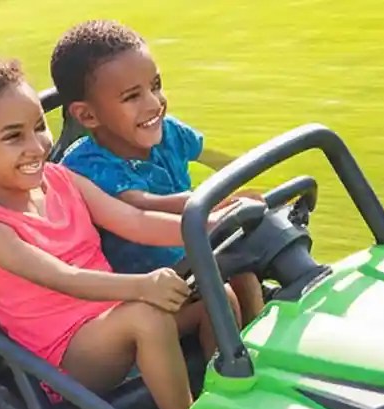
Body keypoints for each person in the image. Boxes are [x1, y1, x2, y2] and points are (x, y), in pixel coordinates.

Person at [0, 51, 245, 409]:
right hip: (66, 358)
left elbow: (134, 221)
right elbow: (64, 278)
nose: (37, 146)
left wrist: (212, 223)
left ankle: (231, 403)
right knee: (147, 318)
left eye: (39, 127)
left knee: (217, 294)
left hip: (114, 316)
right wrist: (142, 286)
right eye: (14, 136)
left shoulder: (60, 179)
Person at [51, 19, 267, 325]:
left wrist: (251, 171)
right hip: (148, 291)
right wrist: (215, 205)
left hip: (194, 255)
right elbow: (141, 205)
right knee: (224, 293)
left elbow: (214, 157)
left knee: (246, 265)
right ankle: (230, 355)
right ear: (87, 115)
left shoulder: (168, 131)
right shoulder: (85, 166)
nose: (155, 104)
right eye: (132, 96)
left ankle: (260, 337)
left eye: (155, 86)